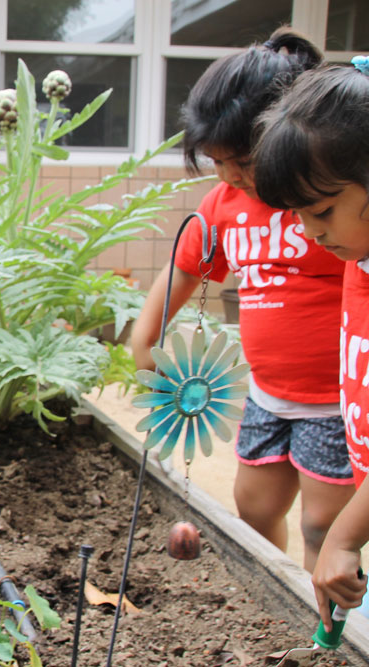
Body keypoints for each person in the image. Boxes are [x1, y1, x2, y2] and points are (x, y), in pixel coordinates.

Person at [129, 28, 353, 573]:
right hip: (267, 393)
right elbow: (181, 274)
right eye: (217, 162)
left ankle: (327, 629)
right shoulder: (224, 205)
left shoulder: (327, 205)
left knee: (322, 527)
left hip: (336, 400)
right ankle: (276, 604)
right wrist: (144, 344)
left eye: (245, 160)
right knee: (253, 509)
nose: (232, 175)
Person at [252, 57, 369, 626]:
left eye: (321, 210)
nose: (310, 232)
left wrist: (343, 539)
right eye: (298, 215)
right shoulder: (358, 258)